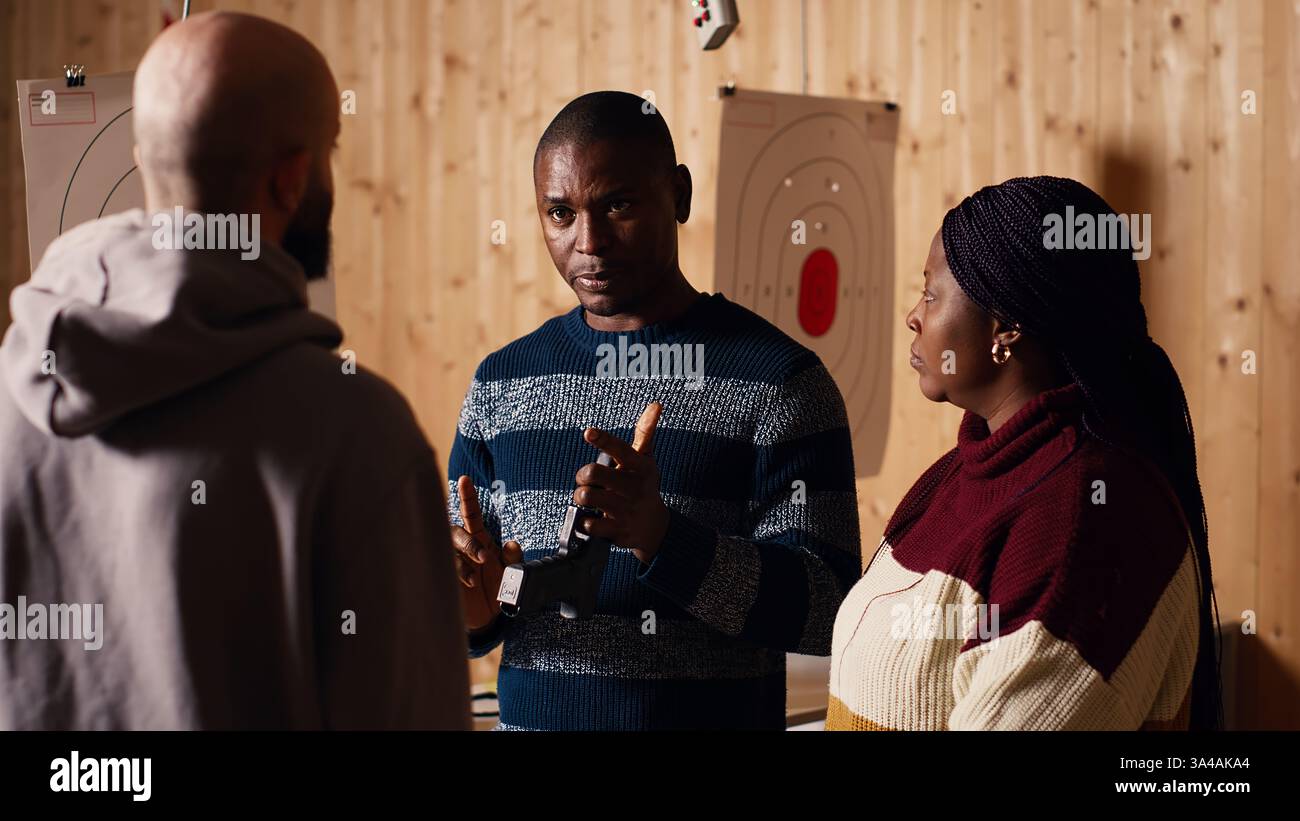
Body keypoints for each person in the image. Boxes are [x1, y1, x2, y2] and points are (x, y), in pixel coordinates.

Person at [0, 11, 469, 730]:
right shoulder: (357, 432)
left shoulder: (12, 393)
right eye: (330, 151)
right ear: (291, 179)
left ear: (141, 154)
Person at [447, 91, 861, 730]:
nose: (589, 242)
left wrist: (662, 538)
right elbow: (479, 617)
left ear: (680, 195)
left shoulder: (781, 381)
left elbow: (828, 613)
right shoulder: (501, 383)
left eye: (618, 204)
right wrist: (474, 604)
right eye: (559, 214)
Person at [827, 176, 1221, 730]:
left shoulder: (1093, 520)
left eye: (932, 292)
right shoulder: (958, 475)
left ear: (1006, 326)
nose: (914, 315)